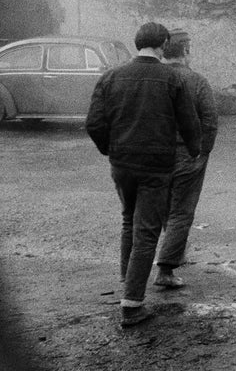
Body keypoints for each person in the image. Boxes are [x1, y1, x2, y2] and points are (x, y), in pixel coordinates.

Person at [85, 22, 201, 327]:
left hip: (122, 164)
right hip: (156, 166)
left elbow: (94, 124)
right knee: (147, 231)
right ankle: (132, 305)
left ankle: (128, 281)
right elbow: (189, 124)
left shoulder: (111, 76)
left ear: (137, 43)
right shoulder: (172, 77)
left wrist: (110, 150)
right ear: (162, 45)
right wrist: (194, 148)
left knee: (129, 219)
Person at [155, 30, 219, 289]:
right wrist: (203, 151)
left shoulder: (152, 78)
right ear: (186, 51)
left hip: (155, 155)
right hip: (187, 154)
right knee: (182, 211)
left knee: (164, 206)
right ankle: (166, 269)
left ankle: (174, 248)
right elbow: (210, 120)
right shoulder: (196, 80)